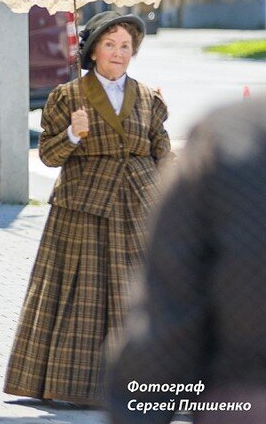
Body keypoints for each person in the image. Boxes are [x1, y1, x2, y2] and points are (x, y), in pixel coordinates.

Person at [4, 10, 172, 406]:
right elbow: (48, 155)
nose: (118, 52)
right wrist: (72, 134)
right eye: (110, 44)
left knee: (143, 296)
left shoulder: (149, 98)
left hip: (139, 206)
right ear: (93, 50)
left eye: (126, 46)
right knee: (83, 296)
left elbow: (164, 155)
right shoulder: (68, 97)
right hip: (83, 208)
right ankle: (78, 388)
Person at [106, 99, 266, 424]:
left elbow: (169, 317)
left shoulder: (233, 135)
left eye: (124, 44)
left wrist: (135, 407)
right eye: (110, 44)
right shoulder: (230, 136)